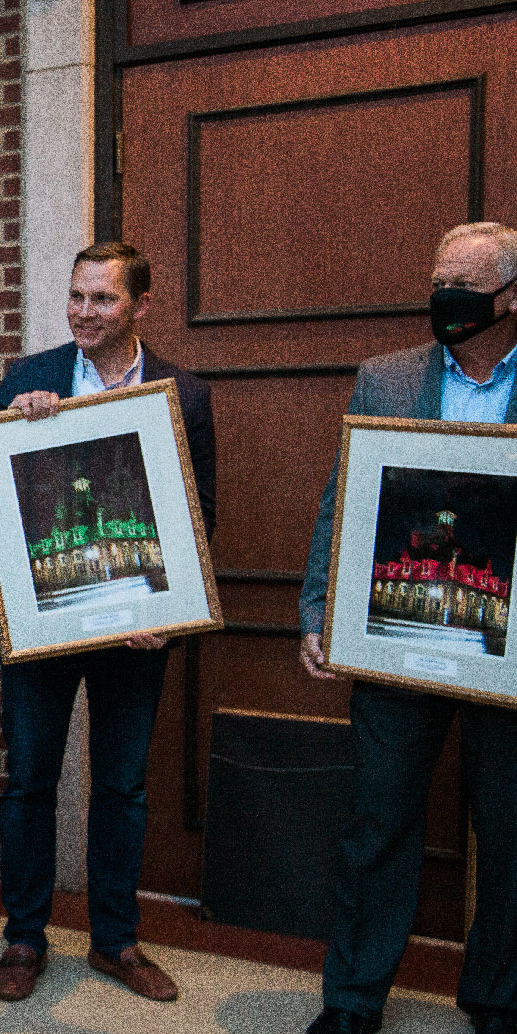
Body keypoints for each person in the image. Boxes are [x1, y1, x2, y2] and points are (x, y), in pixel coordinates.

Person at [298, 222, 517, 1034]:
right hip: (396, 632)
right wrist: (320, 608)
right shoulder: (384, 379)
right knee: (377, 821)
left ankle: (498, 998)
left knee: (509, 833)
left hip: (508, 650)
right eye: (438, 281)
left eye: (464, 285)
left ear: (509, 296)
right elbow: (343, 497)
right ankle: (351, 1001)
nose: (446, 297)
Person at [0, 241, 216, 1005]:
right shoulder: (27, 379)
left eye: (103, 299)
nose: (83, 313)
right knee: (28, 781)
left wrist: (169, 614)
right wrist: (15, 423)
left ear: (140, 306)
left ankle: (115, 940)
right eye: (76, 296)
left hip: (136, 627)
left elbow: (200, 514)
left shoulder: (182, 395)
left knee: (121, 786)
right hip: (44, 619)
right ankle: (23, 937)